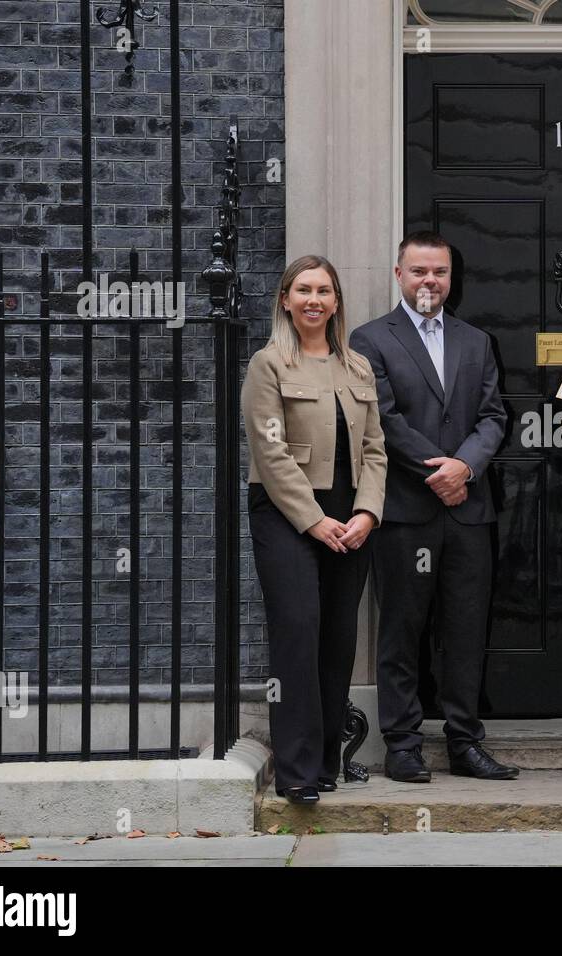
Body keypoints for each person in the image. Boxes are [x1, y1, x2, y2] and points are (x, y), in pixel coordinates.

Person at [349, 231, 517, 784]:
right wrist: (439, 470)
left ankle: (465, 742)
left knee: (466, 630)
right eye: (419, 271)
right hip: (405, 510)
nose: (429, 281)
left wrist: (464, 467)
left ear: (451, 278)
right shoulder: (370, 339)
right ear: (399, 274)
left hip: (468, 511)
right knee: (401, 629)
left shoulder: (476, 340)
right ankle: (402, 744)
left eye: (439, 272)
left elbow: (494, 416)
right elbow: (383, 418)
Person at [242, 254, 388, 805]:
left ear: (336, 301)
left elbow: (375, 449)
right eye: (303, 290)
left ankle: (327, 760)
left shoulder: (357, 367)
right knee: (299, 626)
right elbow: (271, 452)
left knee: (337, 636)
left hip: (351, 516)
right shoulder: (268, 364)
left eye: (324, 290)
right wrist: (315, 520)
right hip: (286, 514)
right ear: (286, 299)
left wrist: (368, 513)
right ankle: (297, 770)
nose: (313, 300)